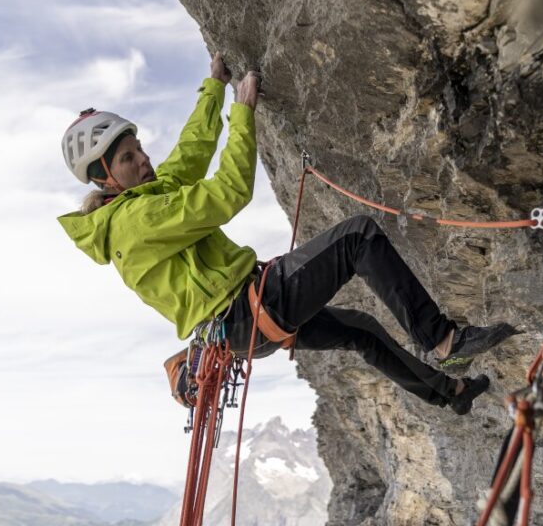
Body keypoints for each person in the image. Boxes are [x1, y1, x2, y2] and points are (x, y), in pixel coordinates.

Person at [58, 54, 517, 415]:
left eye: (138, 149)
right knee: (358, 236)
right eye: (127, 159)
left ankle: (449, 393)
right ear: (104, 179)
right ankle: (445, 342)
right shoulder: (134, 222)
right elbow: (229, 193)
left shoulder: (141, 199)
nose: (142, 160)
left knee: (361, 331)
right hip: (247, 308)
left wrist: (214, 86)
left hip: (240, 329)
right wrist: (243, 114)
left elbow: (190, 156)